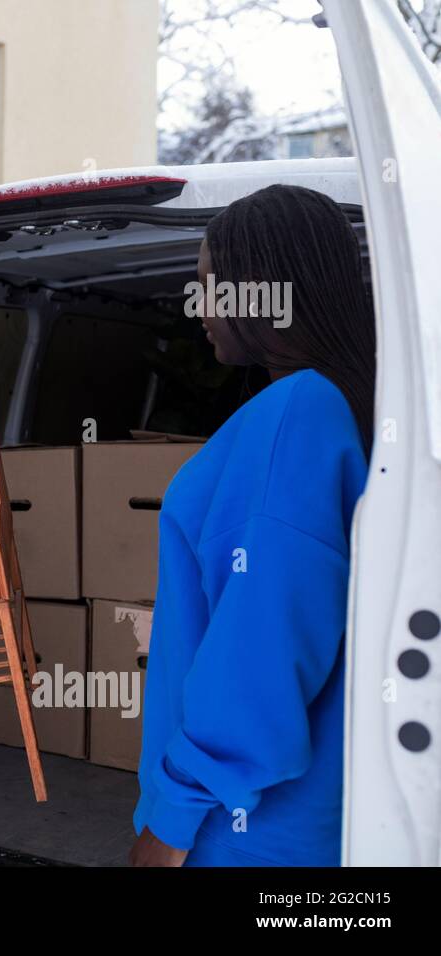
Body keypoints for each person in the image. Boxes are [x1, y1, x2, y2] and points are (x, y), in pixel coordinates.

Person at [130, 184, 375, 867]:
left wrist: (170, 824)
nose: (200, 308)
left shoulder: (297, 412)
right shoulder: (337, 407)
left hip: (243, 832)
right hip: (295, 819)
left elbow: (261, 647)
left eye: (211, 285)